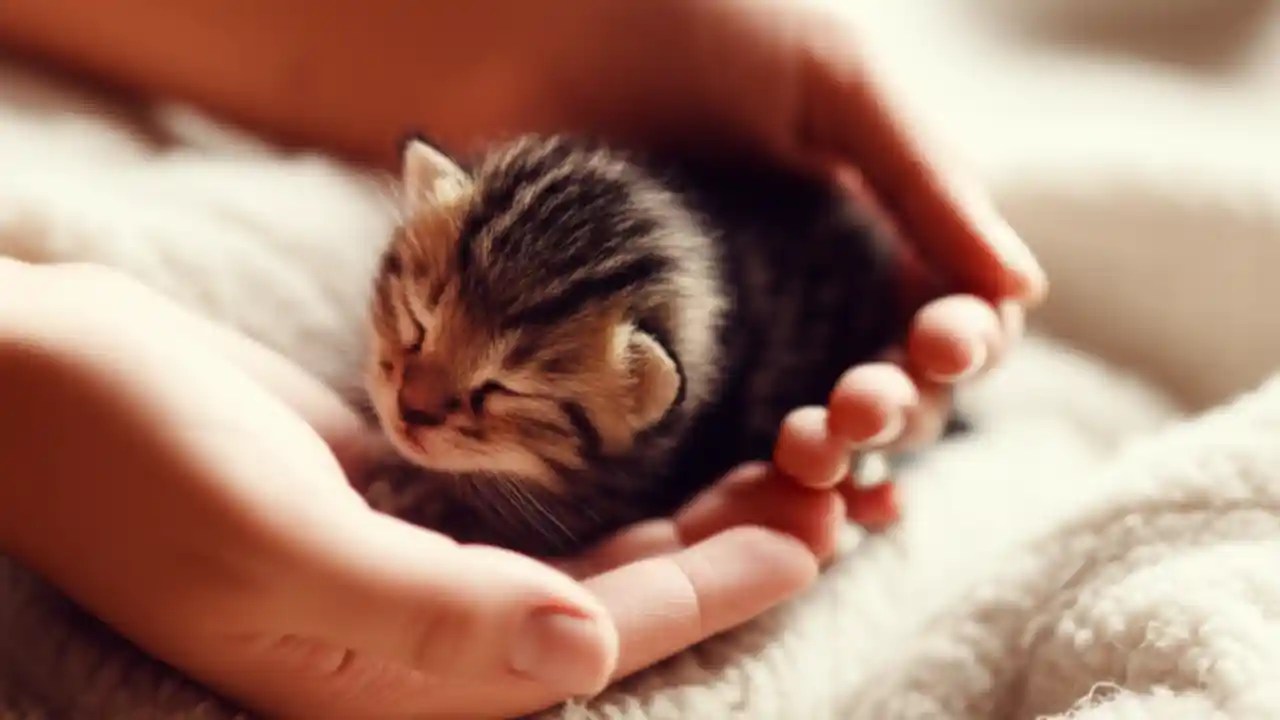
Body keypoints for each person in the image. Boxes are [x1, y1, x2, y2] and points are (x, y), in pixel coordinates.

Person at [0, 2, 1045, 718]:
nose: (410, 398)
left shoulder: (646, 400)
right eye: (408, 327)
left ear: (638, 394)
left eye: (490, 395)